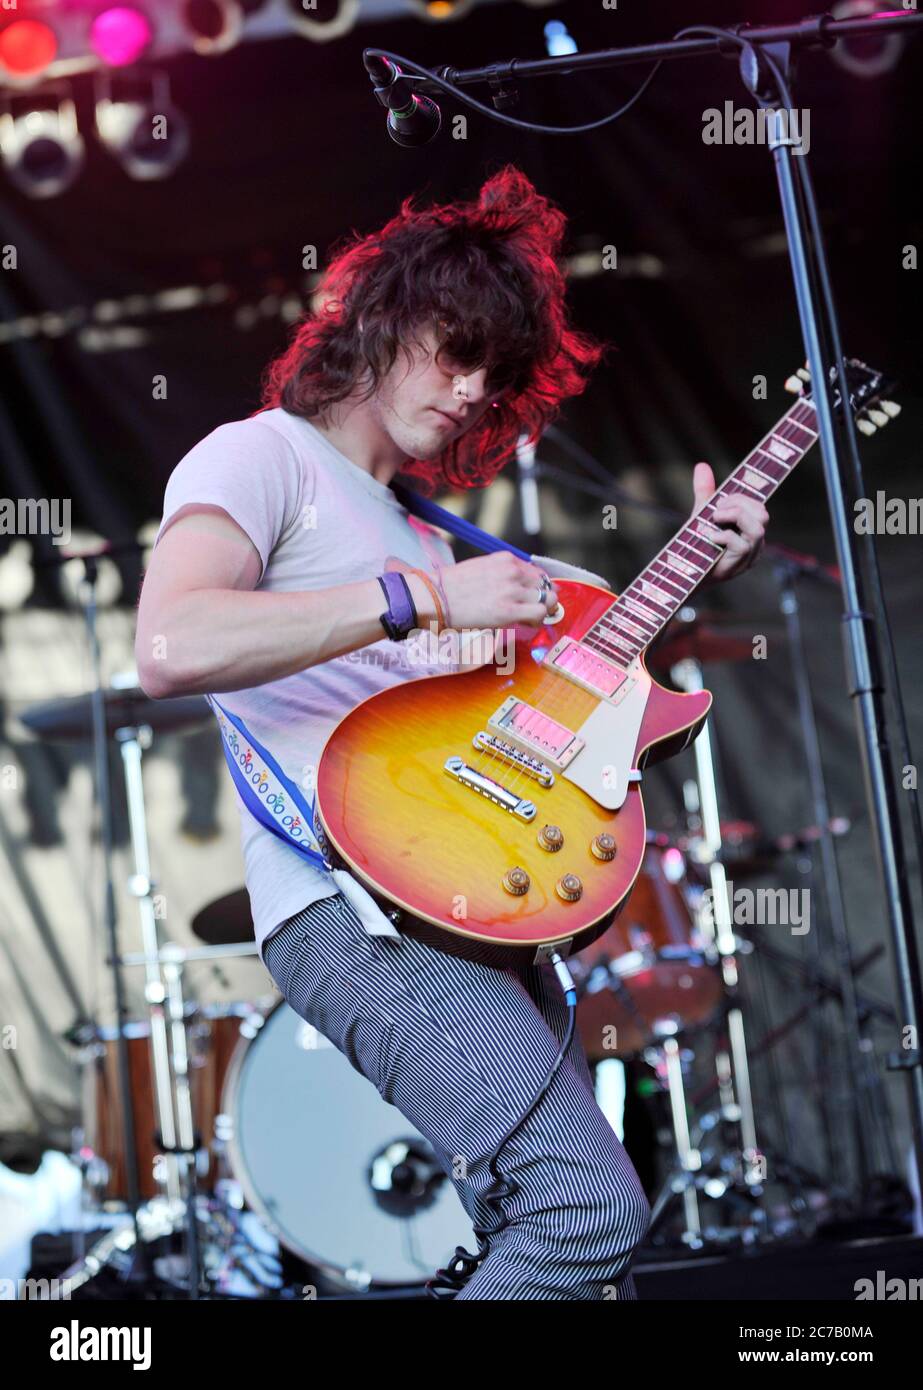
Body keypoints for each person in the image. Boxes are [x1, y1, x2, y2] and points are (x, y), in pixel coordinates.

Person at [136, 166, 767, 1299]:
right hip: (352, 907)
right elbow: (171, 644)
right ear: (378, 320)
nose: (473, 388)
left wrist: (705, 564)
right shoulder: (261, 458)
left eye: (494, 370)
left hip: (477, 909)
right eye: (453, 348)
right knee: (583, 1209)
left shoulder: (433, 532)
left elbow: (596, 664)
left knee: (567, 1247)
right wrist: (420, 600)